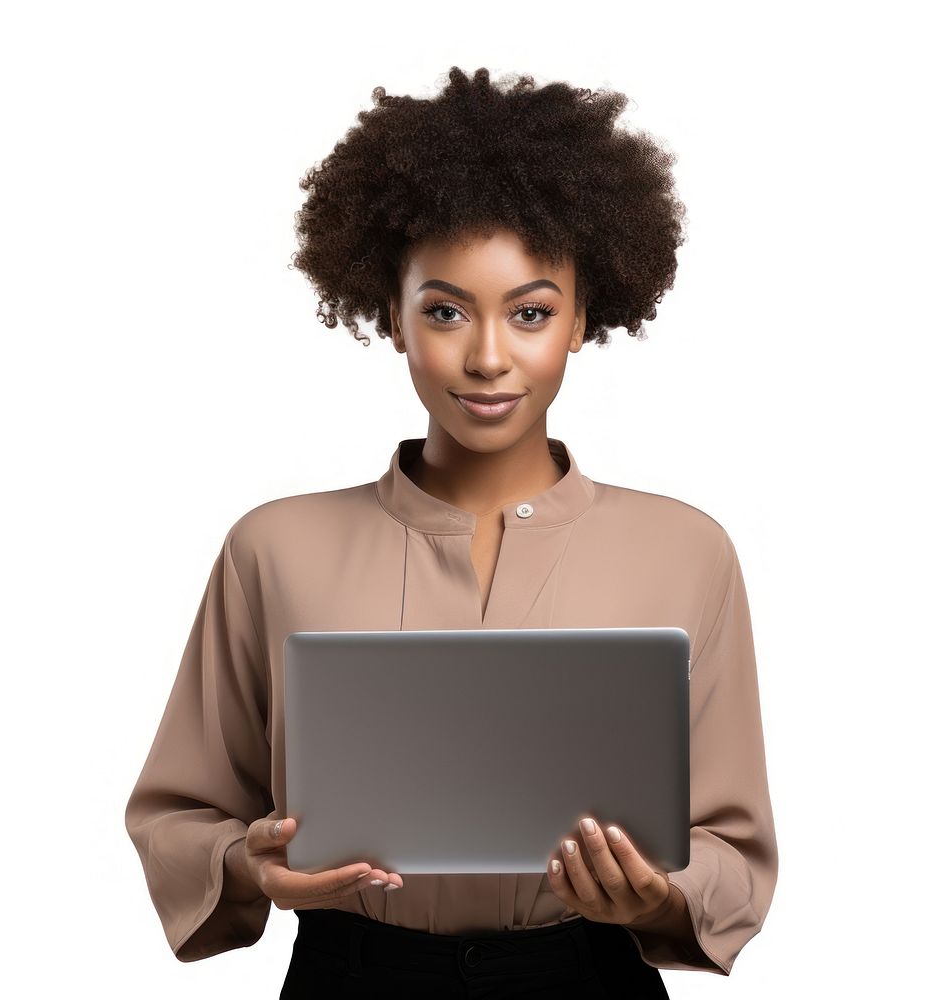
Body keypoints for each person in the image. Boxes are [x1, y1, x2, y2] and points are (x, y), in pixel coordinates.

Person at [125, 66, 778, 998]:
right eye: (444, 311)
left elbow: (730, 844)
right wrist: (245, 866)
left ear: (583, 319)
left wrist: (658, 900)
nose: (486, 356)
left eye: (531, 313)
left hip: (585, 979)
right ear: (390, 316)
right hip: (353, 979)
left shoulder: (687, 550)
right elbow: (180, 811)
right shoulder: (272, 548)